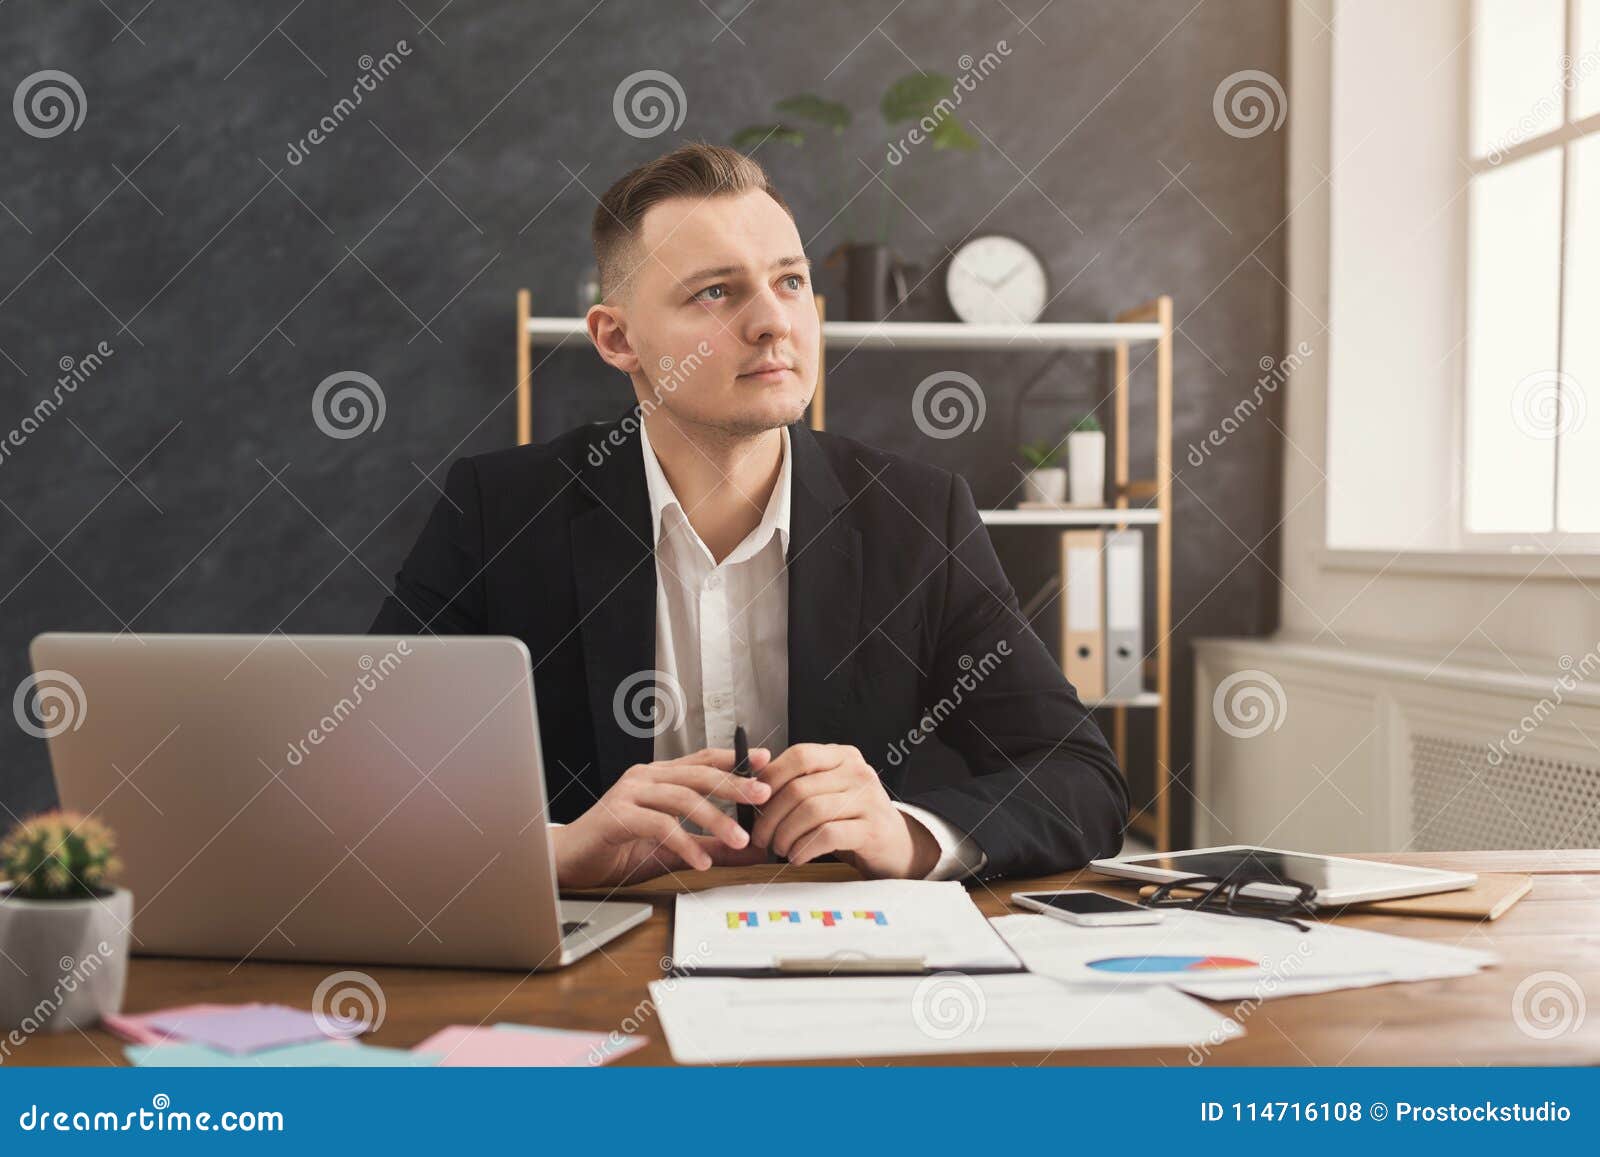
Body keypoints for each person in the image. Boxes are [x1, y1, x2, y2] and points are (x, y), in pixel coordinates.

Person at [371, 141, 1127, 888]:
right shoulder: (497, 512)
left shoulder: (920, 516)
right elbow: (358, 785)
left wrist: (907, 833)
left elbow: (1081, 779)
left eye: (790, 281)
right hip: (588, 969)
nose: (773, 321)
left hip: (849, 971)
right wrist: (556, 851)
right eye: (716, 292)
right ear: (617, 337)